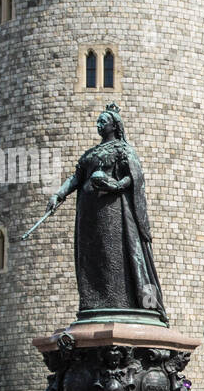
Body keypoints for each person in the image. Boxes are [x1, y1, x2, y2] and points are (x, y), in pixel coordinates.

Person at [44, 103, 167, 323]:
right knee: (93, 255)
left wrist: (117, 186)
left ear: (114, 125)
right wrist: (58, 195)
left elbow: (135, 177)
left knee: (114, 254)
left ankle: (121, 301)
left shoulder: (122, 150)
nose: (99, 124)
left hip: (114, 212)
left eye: (103, 121)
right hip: (89, 213)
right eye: (98, 121)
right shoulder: (90, 154)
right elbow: (76, 178)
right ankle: (95, 300)